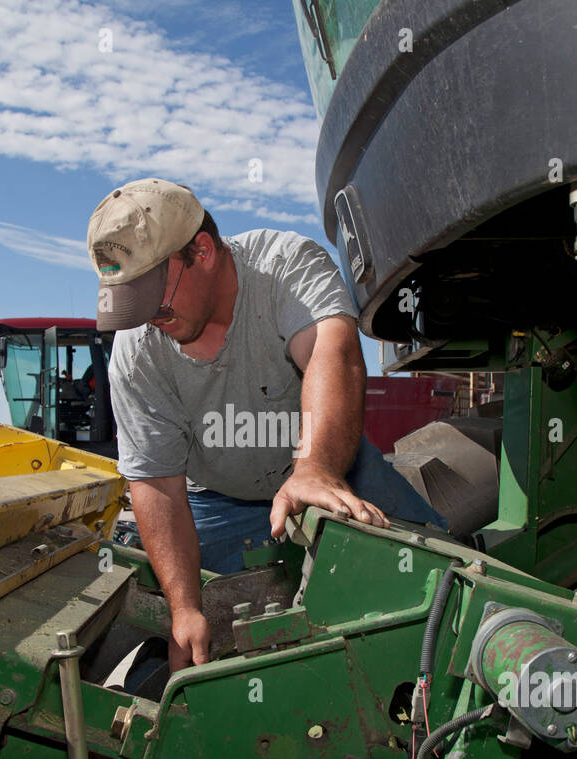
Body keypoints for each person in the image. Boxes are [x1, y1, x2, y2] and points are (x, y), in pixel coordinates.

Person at [88, 178, 443, 672]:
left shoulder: (284, 266)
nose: (151, 319)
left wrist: (315, 469)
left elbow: (331, 348)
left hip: (331, 466)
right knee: (199, 640)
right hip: (214, 499)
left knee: (442, 577)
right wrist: (185, 607)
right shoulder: (137, 352)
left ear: (203, 252)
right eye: (135, 306)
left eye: (157, 300)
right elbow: (156, 483)